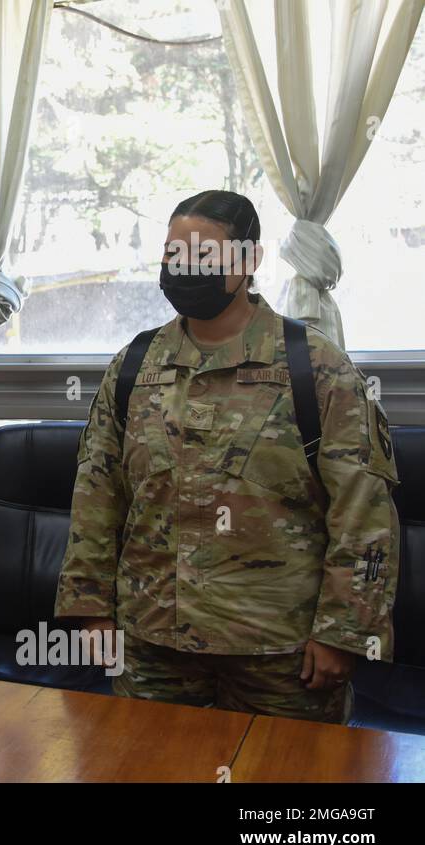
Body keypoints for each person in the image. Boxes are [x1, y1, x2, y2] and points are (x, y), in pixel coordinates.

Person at [56, 190, 399, 724]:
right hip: (153, 647)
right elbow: (96, 497)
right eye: (173, 254)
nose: (184, 268)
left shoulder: (317, 369)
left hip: (279, 655)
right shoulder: (135, 368)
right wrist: (90, 610)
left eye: (204, 255)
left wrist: (345, 634)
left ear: (249, 261)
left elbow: (364, 514)